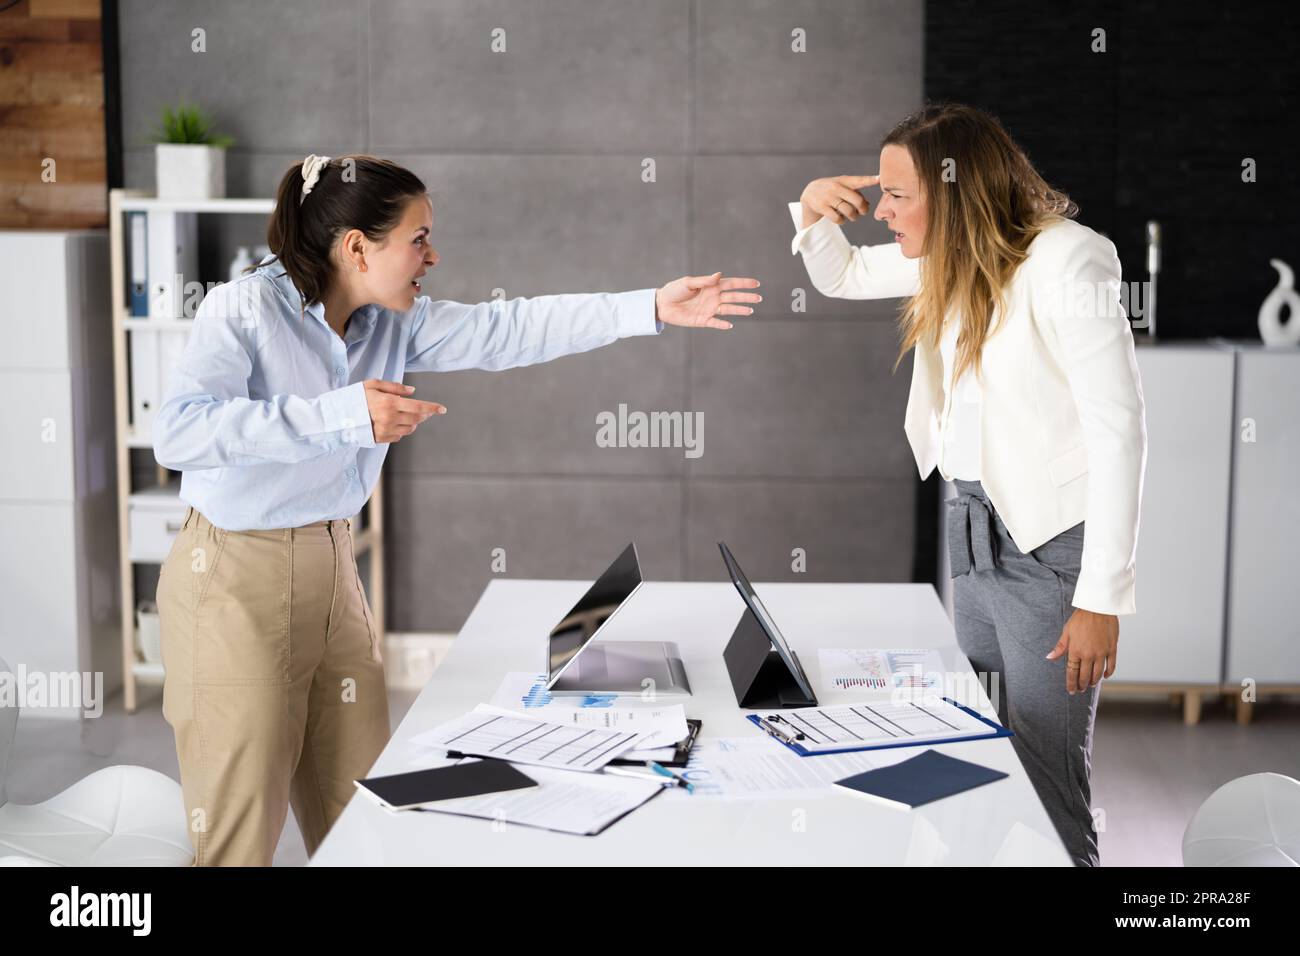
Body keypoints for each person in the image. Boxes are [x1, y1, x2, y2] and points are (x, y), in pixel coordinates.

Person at [153, 153, 761, 865]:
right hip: (231, 577)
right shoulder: (246, 308)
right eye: (418, 239)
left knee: (361, 815)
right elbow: (181, 431)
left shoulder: (392, 321)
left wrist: (650, 307)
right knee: (239, 833)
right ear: (357, 247)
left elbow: (511, 329)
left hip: (330, 568)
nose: (432, 256)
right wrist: (343, 414)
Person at [790, 104, 1147, 865]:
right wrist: (813, 207)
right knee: (981, 760)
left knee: (1048, 781)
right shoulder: (944, 252)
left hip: (1050, 551)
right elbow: (842, 275)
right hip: (974, 530)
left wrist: (1101, 600)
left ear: (954, 193)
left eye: (896, 195)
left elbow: (1120, 432)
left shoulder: (1068, 260)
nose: (880, 211)